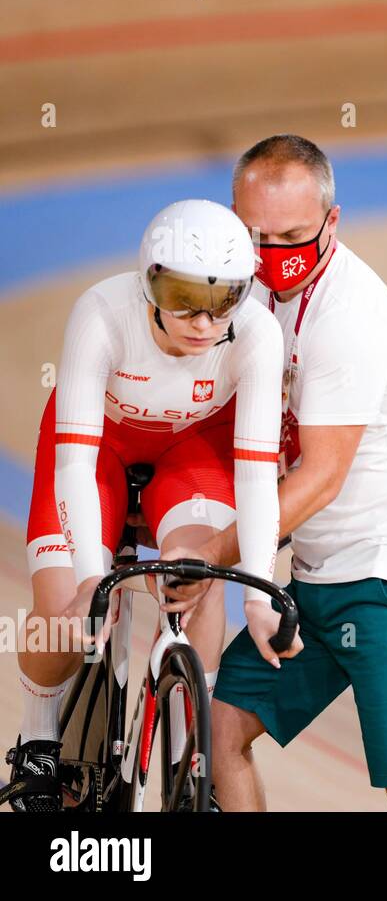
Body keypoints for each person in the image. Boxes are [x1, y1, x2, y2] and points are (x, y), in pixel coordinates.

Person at [197, 134, 387, 812]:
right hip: (323, 582)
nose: (270, 256)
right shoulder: (257, 293)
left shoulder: (348, 317)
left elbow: (319, 478)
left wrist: (207, 556)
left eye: (291, 235)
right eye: (253, 236)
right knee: (218, 727)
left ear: (333, 220)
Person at [9, 199, 283, 811]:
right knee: (62, 610)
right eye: (182, 294)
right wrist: (88, 583)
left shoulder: (260, 334)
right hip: (96, 449)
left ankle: (195, 757)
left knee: (197, 576)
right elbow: (75, 461)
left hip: (192, 453)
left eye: (222, 299)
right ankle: (38, 735)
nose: (203, 320)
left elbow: (259, 474)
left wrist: (260, 598)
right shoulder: (103, 313)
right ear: (147, 280)